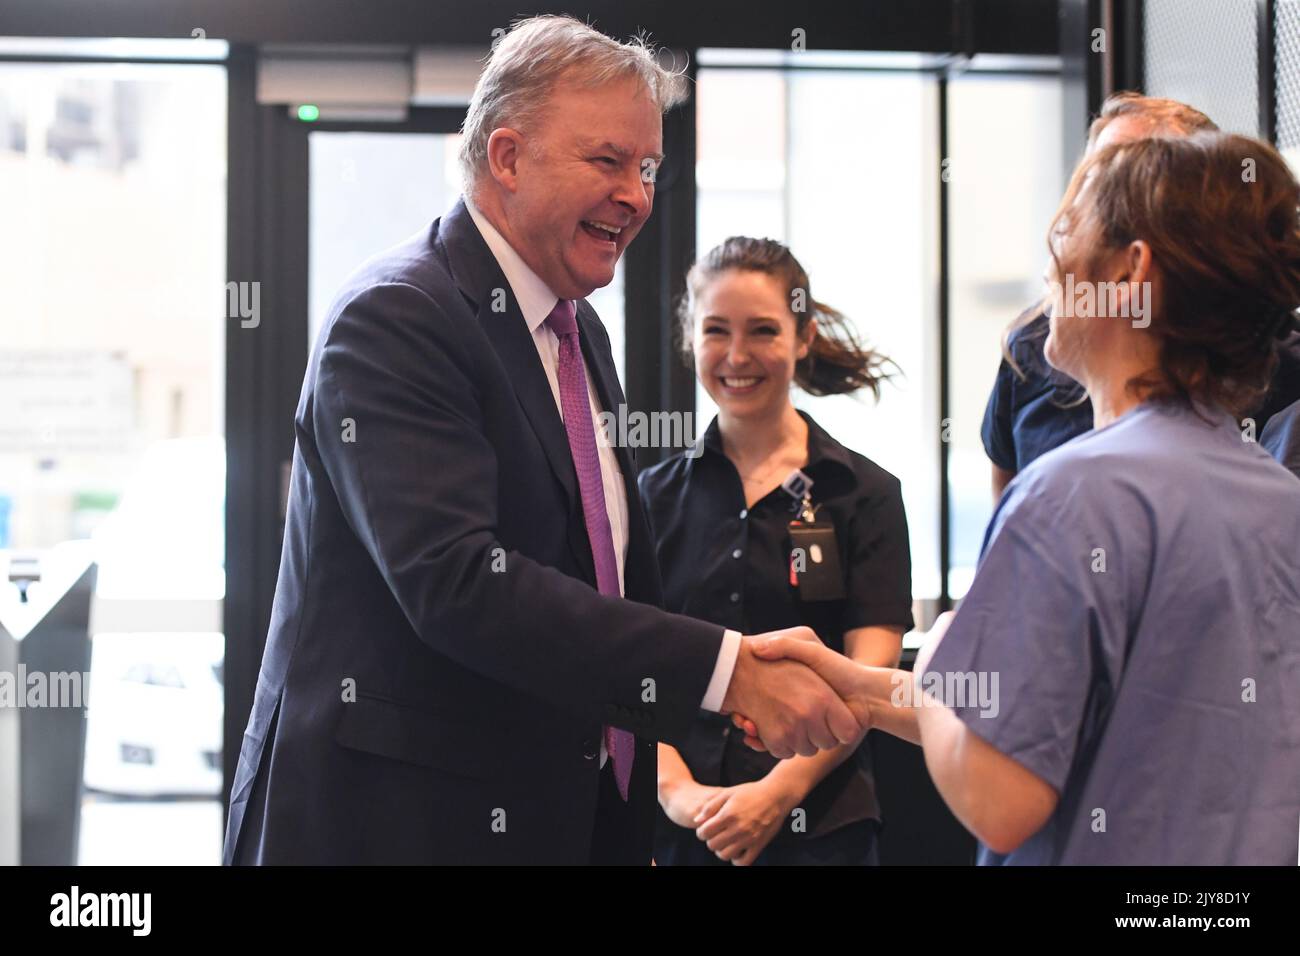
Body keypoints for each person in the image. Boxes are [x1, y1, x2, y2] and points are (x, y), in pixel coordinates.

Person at [222, 15, 859, 866]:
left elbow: (600, 573)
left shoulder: (577, 332)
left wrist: (728, 679)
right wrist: (726, 669)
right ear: (508, 156)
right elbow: (459, 585)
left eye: (648, 168)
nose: (637, 195)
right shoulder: (398, 317)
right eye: (608, 161)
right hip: (402, 828)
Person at [740, 130, 1300, 865]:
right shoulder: (1276, 494)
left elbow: (1000, 796)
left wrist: (940, 660)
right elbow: (1084, 732)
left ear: (1132, 272)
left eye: (1069, 230)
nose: (1052, 265)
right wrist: (867, 695)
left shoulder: (1073, 494)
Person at [640, 238, 913, 866]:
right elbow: (629, 665)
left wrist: (773, 797)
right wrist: (682, 796)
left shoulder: (864, 494)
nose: (737, 356)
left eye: (763, 330)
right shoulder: (649, 498)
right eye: (716, 331)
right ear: (690, 339)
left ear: (803, 337)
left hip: (822, 829)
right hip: (683, 829)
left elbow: (867, 679)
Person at [982, 92, 1300, 500]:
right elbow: (1005, 493)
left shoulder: (1269, 353)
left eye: (1137, 180)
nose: (1102, 207)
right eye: (1098, 183)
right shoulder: (1034, 341)